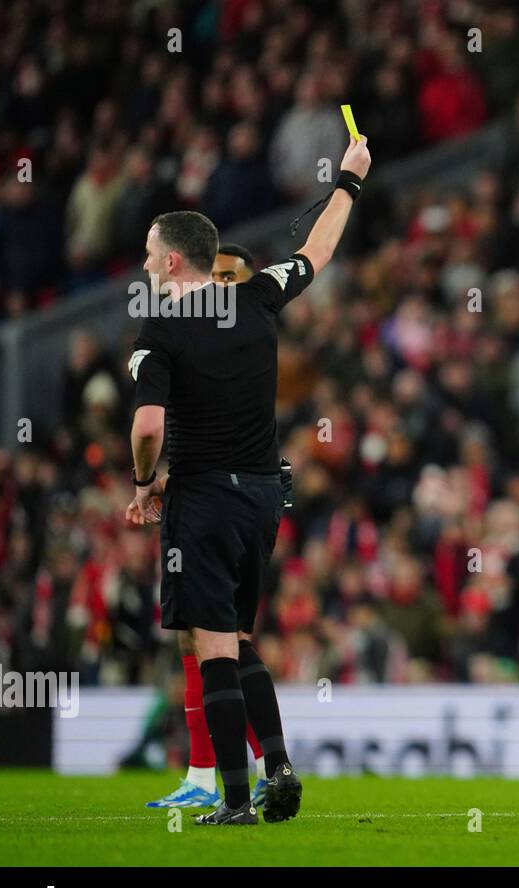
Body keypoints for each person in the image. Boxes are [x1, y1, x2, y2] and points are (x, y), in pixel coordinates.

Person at [125, 135, 372, 825]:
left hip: (202, 496)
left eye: (149, 253)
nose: (144, 264)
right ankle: (279, 766)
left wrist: (144, 482)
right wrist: (349, 181)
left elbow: (147, 427)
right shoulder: (259, 295)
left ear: (173, 260)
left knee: (211, 648)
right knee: (238, 637)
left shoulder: (163, 325)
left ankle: (235, 799)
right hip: (265, 493)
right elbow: (316, 254)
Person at [145, 244, 267, 811]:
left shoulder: (242, 326)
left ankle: (254, 772)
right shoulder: (201, 335)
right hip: (219, 492)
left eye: (229, 277)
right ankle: (209, 772)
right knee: (202, 643)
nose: (219, 287)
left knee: (226, 644)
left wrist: (149, 479)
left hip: (231, 500)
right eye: (213, 274)